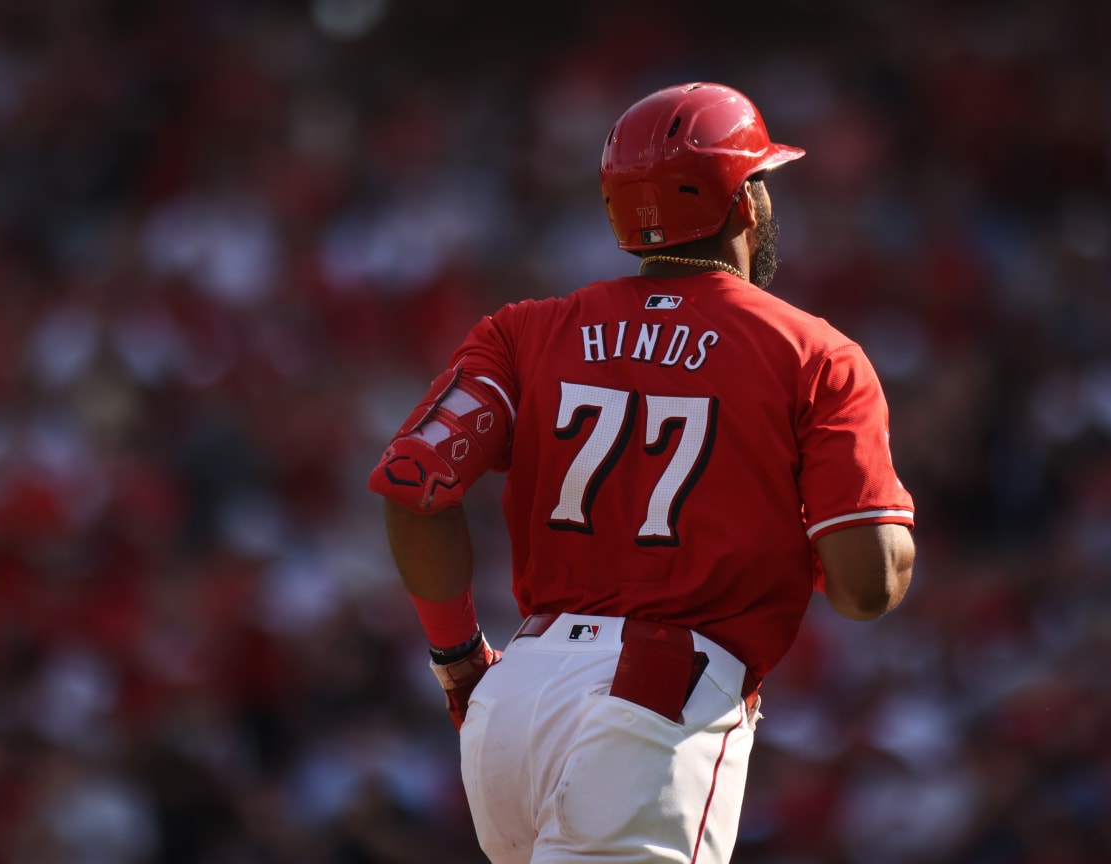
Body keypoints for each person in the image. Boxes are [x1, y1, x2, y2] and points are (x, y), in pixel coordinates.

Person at [367, 81, 916, 864]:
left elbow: (414, 489)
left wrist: (458, 662)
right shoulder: (815, 354)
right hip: (658, 699)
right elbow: (868, 588)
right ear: (746, 204)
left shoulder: (523, 331)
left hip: (515, 700)